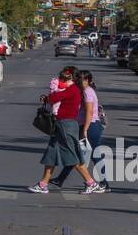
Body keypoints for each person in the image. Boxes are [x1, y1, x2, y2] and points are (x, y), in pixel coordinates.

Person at [30, 66, 101, 194]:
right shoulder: (70, 89)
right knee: (51, 155)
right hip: (61, 125)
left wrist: (50, 95)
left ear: (71, 78)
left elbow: (53, 98)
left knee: (73, 157)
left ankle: (91, 183)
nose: (61, 80)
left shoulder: (72, 89)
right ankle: (43, 184)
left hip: (66, 125)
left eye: (64, 78)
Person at [76, 69, 109, 191]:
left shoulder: (87, 92)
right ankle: (102, 183)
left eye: (84, 79)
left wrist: (85, 129)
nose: (82, 81)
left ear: (89, 80)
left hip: (91, 127)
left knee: (88, 155)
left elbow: (89, 112)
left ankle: (102, 183)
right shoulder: (86, 91)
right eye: (80, 79)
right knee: (85, 155)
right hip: (90, 126)